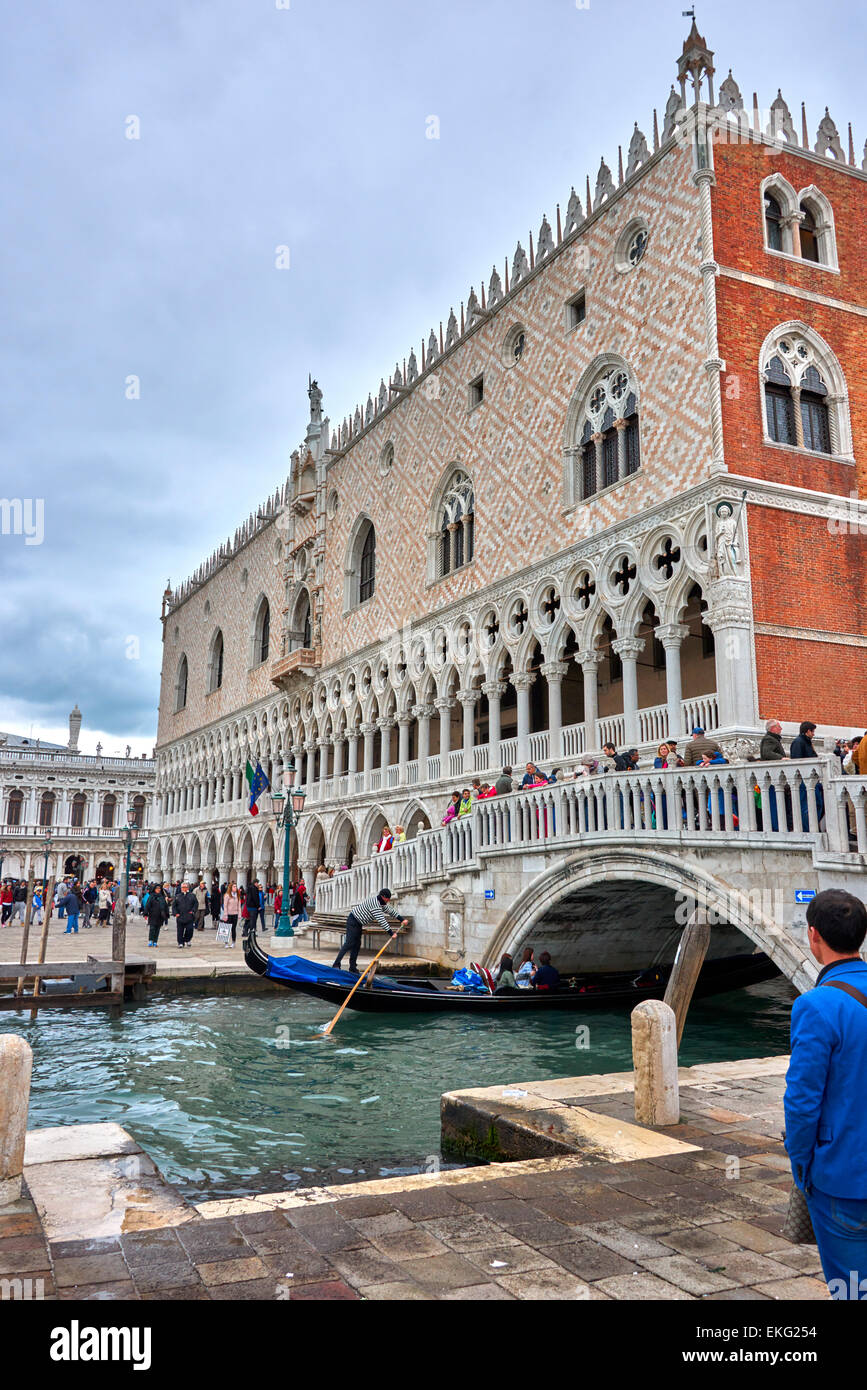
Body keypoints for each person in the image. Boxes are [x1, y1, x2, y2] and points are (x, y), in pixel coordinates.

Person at [784, 889, 867, 1300]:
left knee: (852, 1291)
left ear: (813, 936)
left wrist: (803, 1168)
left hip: (844, 1179)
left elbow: (802, 1102)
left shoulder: (816, 1006)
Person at [332, 888, 408, 974]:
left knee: (357, 945)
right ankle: (336, 964)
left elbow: (391, 911)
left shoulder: (382, 903)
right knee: (349, 943)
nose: (388, 900)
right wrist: (391, 933)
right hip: (353, 920)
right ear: (383, 897)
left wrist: (401, 919)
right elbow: (381, 920)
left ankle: (352, 967)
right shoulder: (375, 904)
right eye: (388, 899)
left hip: (358, 923)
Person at [790, 720, 825, 829]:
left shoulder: (807, 742)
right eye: (813, 731)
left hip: (813, 780)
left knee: (818, 804)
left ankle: (812, 825)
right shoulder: (798, 742)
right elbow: (797, 760)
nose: (814, 734)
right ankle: (807, 828)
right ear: (808, 731)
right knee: (806, 806)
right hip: (804, 781)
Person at [173, 880, 198, 949]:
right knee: (180, 931)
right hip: (180, 916)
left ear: (188, 888)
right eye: (183, 887)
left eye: (185, 887)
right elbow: (174, 906)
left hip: (189, 916)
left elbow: (195, 904)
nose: (184, 889)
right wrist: (176, 913)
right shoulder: (178, 896)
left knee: (190, 929)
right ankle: (180, 942)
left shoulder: (192, 896)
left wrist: (193, 911)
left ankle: (187, 939)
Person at [222, 880, 241, 945]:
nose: (235, 888)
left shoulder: (237, 896)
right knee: (227, 928)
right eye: (234, 887)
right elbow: (225, 905)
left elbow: (239, 906)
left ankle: (233, 941)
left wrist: (239, 914)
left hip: (235, 914)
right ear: (231, 888)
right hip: (228, 914)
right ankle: (226, 942)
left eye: (236, 887)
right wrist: (225, 914)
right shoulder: (227, 895)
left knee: (233, 928)